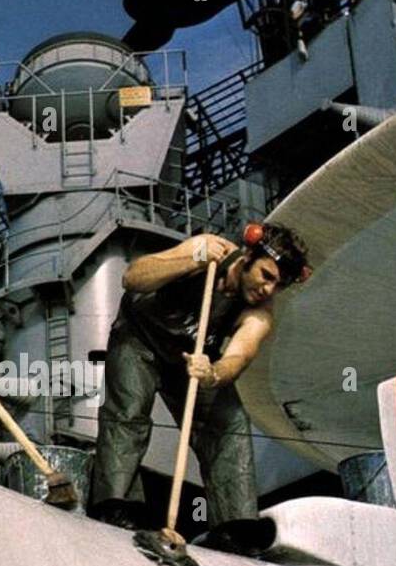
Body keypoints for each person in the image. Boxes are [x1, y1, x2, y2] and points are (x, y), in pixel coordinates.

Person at [88, 222, 312, 531]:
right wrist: (194, 261)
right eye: (266, 275)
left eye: (279, 285)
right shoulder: (205, 248)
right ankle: (114, 504)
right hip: (139, 337)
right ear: (248, 255)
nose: (268, 290)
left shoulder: (260, 313)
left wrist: (212, 373)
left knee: (228, 421)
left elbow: (238, 357)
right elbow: (133, 277)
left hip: (190, 358)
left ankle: (237, 525)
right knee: (128, 410)